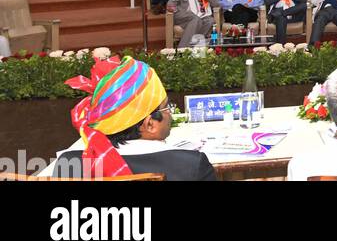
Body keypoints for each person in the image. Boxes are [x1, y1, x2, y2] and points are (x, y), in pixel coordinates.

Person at [51, 56, 215, 180]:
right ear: (150, 124)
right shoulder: (191, 165)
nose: (170, 114)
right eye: (166, 107)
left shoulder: (70, 164)